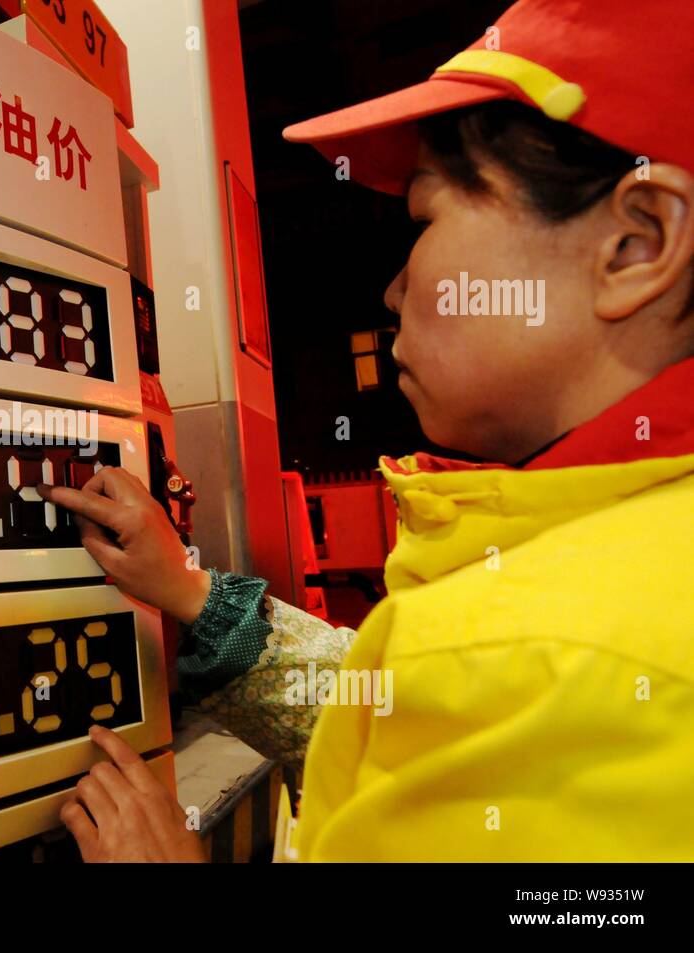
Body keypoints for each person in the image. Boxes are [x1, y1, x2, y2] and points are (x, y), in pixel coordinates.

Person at [38, 0, 694, 862]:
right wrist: (194, 594)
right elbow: (397, 708)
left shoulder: (552, 653)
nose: (393, 291)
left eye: (423, 219)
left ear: (636, 243)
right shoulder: (594, 585)